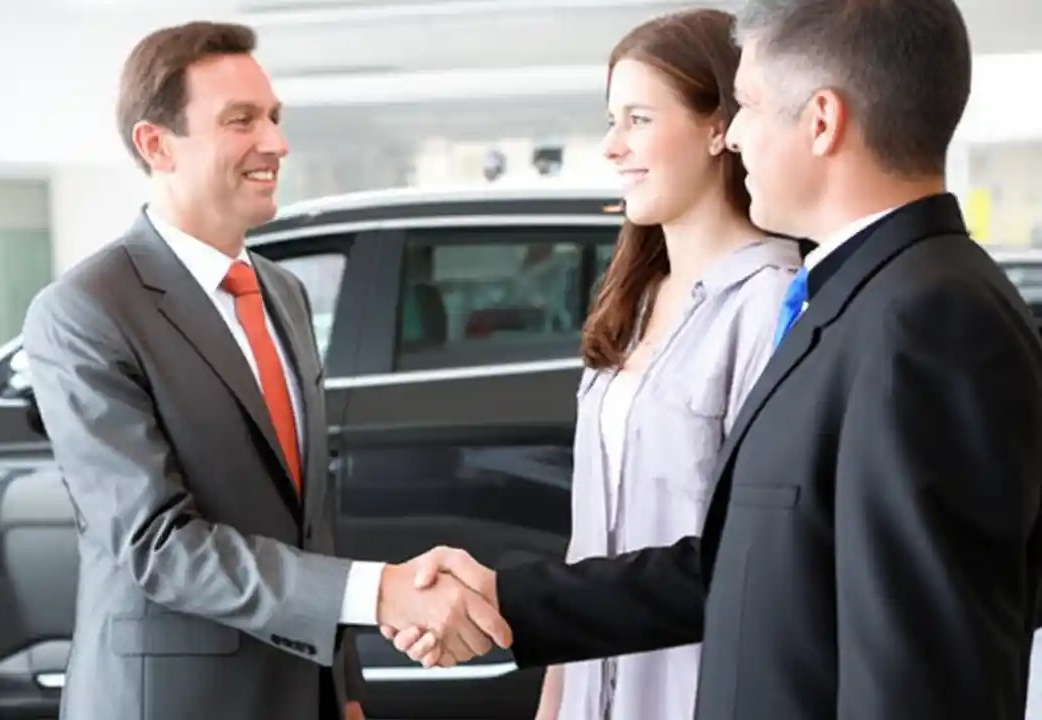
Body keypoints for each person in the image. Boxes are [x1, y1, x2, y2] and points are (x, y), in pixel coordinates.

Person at [390, 1, 1042, 718]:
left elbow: (917, 673)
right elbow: (746, 561)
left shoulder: (927, 318)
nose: (735, 135)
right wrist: (508, 600)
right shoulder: (860, 300)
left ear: (822, 121)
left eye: (749, 106)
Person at [21, 21, 509, 720]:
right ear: (157, 145)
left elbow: (307, 525)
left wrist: (342, 691)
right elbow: (158, 544)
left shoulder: (283, 293)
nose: (276, 142)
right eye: (241, 120)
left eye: (274, 118)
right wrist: (380, 593)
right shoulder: (86, 309)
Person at [528, 9, 799, 720]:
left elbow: (758, 557)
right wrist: (555, 703)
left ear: (719, 128)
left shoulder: (769, 303)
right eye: (610, 121)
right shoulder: (635, 298)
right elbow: (589, 546)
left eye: (639, 119)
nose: (612, 147)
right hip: (595, 694)